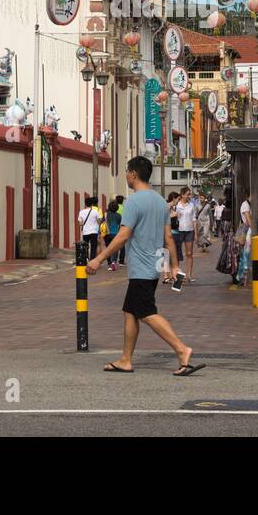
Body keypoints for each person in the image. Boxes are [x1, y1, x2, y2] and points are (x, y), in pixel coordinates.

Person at [87, 156, 203, 376]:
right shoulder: (161, 202)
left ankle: (181, 349)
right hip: (154, 266)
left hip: (141, 267)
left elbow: (122, 236)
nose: (125, 175)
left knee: (146, 312)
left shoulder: (133, 202)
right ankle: (125, 359)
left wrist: (99, 258)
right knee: (130, 311)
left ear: (133, 174)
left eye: (126, 171)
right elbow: (168, 238)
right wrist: (175, 266)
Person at [174, 188, 198, 283]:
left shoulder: (192, 205)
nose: (189, 196)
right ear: (182, 195)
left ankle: (189, 275)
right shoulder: (177, 205)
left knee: (189, 254)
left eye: (190, 194)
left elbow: (194, 219)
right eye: (188, 194)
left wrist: (196, 234)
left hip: (189, 231)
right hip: (178, 231)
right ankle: (177, 278)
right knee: (177, 255)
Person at [235, 193, 254, 286]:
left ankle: (241, 277)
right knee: (245, 254)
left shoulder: (250, 205)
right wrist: (254, 228)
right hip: (247, 233)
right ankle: (242, 277)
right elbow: (248, 219)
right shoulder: (245, 204)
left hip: (249, 232)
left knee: (245, 255)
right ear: (248, 196)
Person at [78, 195, 102, 262]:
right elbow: (98, 221)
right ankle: (92, 261)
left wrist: (85, 223)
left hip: (85, 232)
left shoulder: (81, 212)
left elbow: (80, 224)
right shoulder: (95, 211)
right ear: (92, 204)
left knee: (85, 247)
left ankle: (86, 259)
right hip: (94, 232)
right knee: (93, 247)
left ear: (85, 204)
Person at [104, 197, 124, 271]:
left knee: (108, 248)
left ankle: (109, 263)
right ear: (117, 208)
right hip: (115, 233)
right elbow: (119, 224)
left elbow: (103, 223)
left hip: (106, 234)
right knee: (115, 248)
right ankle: (113, 262)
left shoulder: (106, 214)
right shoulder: (118, 215)